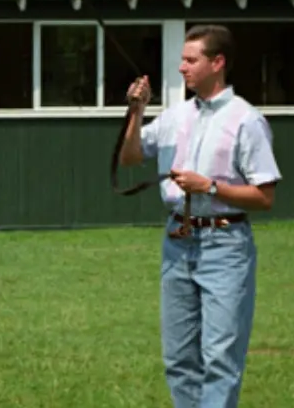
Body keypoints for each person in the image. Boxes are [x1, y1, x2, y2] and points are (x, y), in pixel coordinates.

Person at [120, 26, 280, 408]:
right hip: (177, 239)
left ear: (217, 63)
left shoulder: (246, 120)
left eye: (191, 60)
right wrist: (136, 111)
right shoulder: (174, 117)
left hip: (224, 243)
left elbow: (265, 196)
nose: (182, 68)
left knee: (220, 358)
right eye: (182, 60)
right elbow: (130, 157)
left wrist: (208, 187)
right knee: (179, 359)